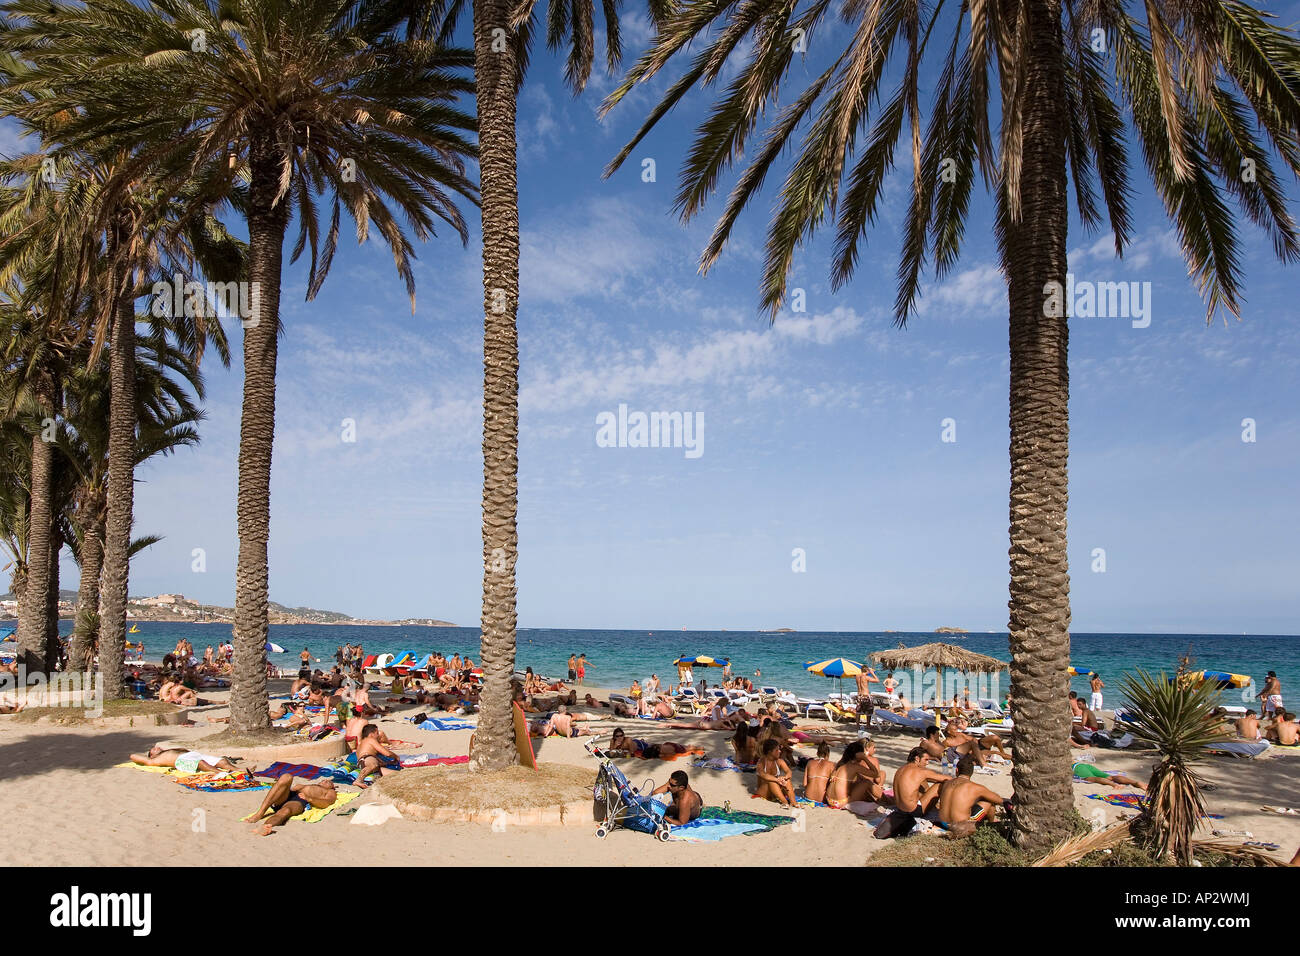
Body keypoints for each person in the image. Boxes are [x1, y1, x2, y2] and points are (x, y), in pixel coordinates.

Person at [937, 754, 1006, 836]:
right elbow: (1000, 800)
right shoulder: (975, 787)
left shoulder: (946, 783)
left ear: (957, 770)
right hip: (960, 826)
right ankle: (990, 825)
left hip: (943, 823)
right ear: (971, 772)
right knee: (989, 802)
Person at [246, 774, 338, 835]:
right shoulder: (306, 785)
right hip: (289, 795)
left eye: (330, 782)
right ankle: (260, 812)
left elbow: (327, 803)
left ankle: (265, 826)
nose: (326, 781)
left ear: (333, 787)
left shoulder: (330, 791)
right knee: (287, 776)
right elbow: (290, 788)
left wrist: (309, 799)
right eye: (324, 780)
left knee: (285, 811)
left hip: (299, 800)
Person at [130, 746, 239, 774]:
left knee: (222, 761)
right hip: (180, 760)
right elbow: (133, 756)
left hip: (192, 754)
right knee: (200, 763)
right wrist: (148, 758)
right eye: (153, 749)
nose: (156, 748)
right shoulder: (155, 760)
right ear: (151, 755)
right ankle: (220, 773)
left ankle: (240, 770)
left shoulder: (167, 751)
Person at [755, 739, 796, 807]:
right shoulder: (761, 762)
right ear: (769, 752)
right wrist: (777, 780)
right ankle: (784, 802)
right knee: (771, 781)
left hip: (775, 792)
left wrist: (785, 777)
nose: (780, 751)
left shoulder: (779, 761)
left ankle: (793, 802)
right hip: (764, 792)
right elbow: (764, 775)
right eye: (777, 750)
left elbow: (789, 772)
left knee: (787, 780)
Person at [1072, 762, 1147, 790]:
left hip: (1076, 768)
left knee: (1091, 778)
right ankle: (1134, 782)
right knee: (1111, 777)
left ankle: (1113, 785)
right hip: (1082, 764)